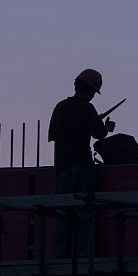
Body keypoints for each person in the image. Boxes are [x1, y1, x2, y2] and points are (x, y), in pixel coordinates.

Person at [48, 68, 112, 257]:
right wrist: (106, 127)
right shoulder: (88, 109)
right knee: (85, 216)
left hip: (63, 168)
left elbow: (54, 135)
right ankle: (84, 260)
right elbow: (99, 134)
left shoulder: (60, 107)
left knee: (62, 216)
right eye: (93, 92)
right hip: (83, 168)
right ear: (90, 90)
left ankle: (58, 259)